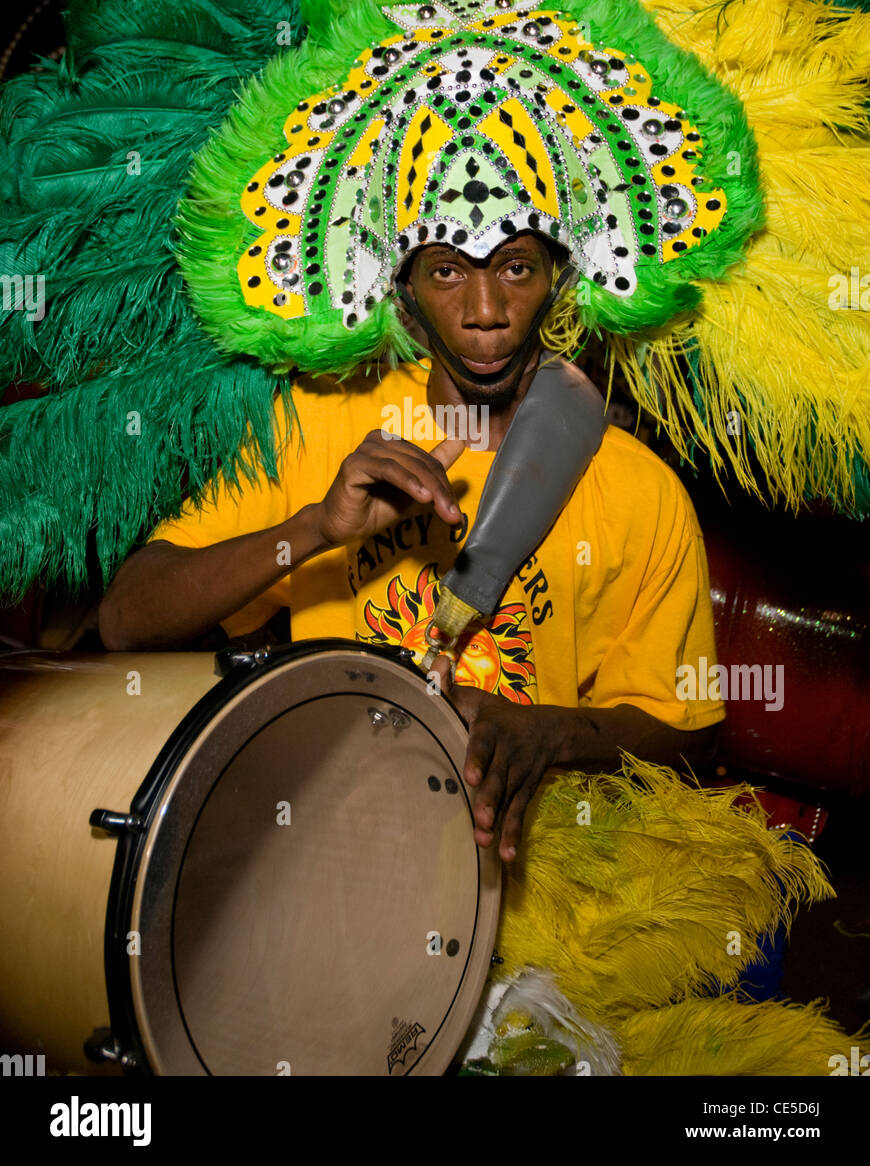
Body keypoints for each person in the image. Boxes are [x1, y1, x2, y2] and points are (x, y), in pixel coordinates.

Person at [99, 225, 724, 863]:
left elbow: (693, 737)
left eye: (515, 269)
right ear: (406, 293)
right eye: (448, 272)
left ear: (559, 281)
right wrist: (315, 528)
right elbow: (126, 619)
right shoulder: (318, 423)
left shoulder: (641, 491)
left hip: (528, 877)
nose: (486, 313)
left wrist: (554, 735)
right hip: (320, 847)